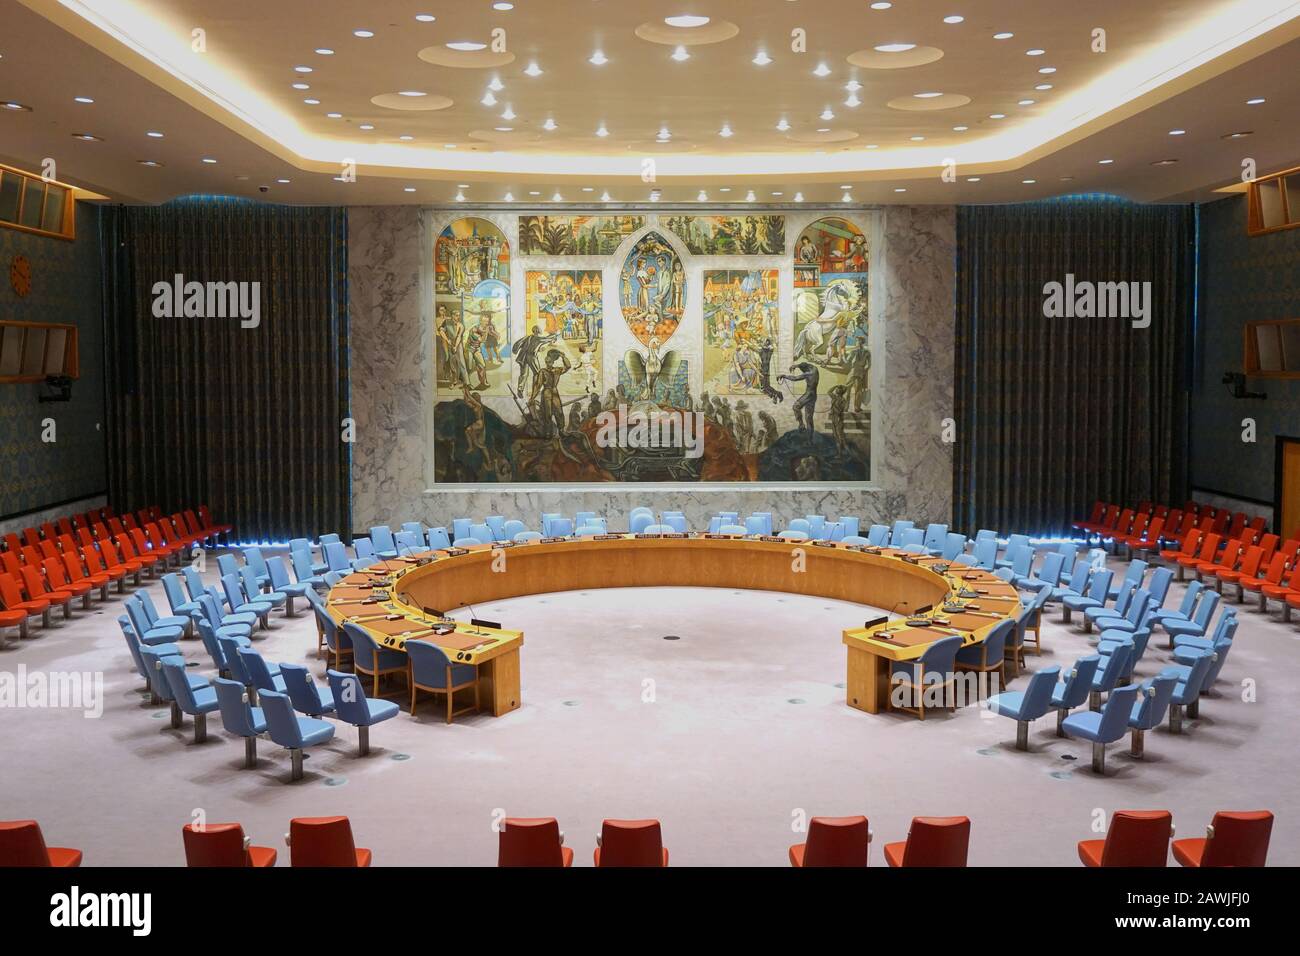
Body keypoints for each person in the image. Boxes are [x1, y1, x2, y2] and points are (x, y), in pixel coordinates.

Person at [778, 362, 820, 435]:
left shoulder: (808, 374)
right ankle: (809, 440)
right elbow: (806, 364)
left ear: (805, 369)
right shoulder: (814, 369)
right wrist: (797, 366)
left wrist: (784, 376)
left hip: (809, 394)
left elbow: (795, 378)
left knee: (796, 407)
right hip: (813, 395)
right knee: (809, 419)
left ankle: (801, 424)